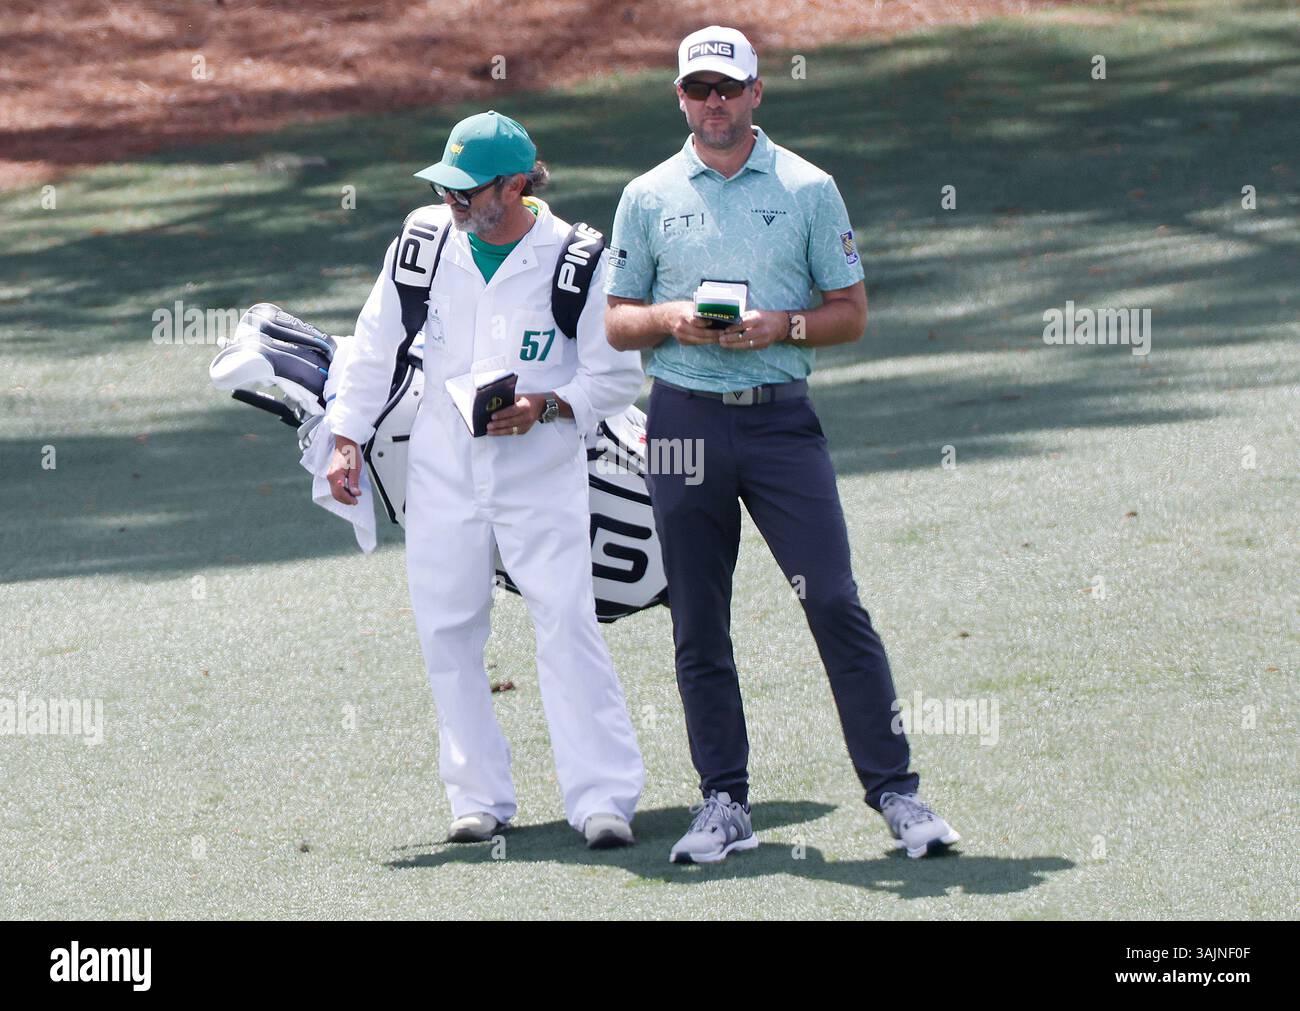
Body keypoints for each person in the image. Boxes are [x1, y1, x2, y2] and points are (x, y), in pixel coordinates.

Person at [605, 28, 959, 863]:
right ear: (681, 99)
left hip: (779, 421)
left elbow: (852, 311)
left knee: (833, 598)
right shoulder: (647, 195)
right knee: (697, 615)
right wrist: (671, 319)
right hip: (684, 419)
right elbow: (620, 320)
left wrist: (781, 324)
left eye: (727, 88)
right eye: (698, 89)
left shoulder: (808, 188)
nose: (713, 103)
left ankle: (897, 793)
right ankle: (724, 800)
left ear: (758, 92)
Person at [328, 110, 645, 849]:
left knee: (567, 621)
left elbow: (617, 375)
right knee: (447, 629)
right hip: (441, 471)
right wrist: (345, 438)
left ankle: (603, 797)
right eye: (446, 190)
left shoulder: (579, 260)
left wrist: (548, 405)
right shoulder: (423, 241)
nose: (453, 205)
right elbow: (375, 345)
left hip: (541, 470)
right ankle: (477, 795)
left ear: (515, 184)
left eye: (468, 193)